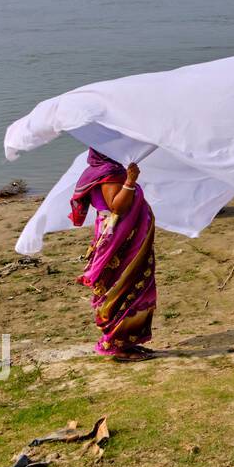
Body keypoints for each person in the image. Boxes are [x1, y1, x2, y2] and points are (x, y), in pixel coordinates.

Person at [70, 149, 157, 362]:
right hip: (120, 243)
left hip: (124, 239)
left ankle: (128, 341)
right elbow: (117, 206)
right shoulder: (108, 173)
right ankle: (118, 346)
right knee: (122, 286)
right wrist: (130, 181)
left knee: (133, 285)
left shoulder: (101, 170)